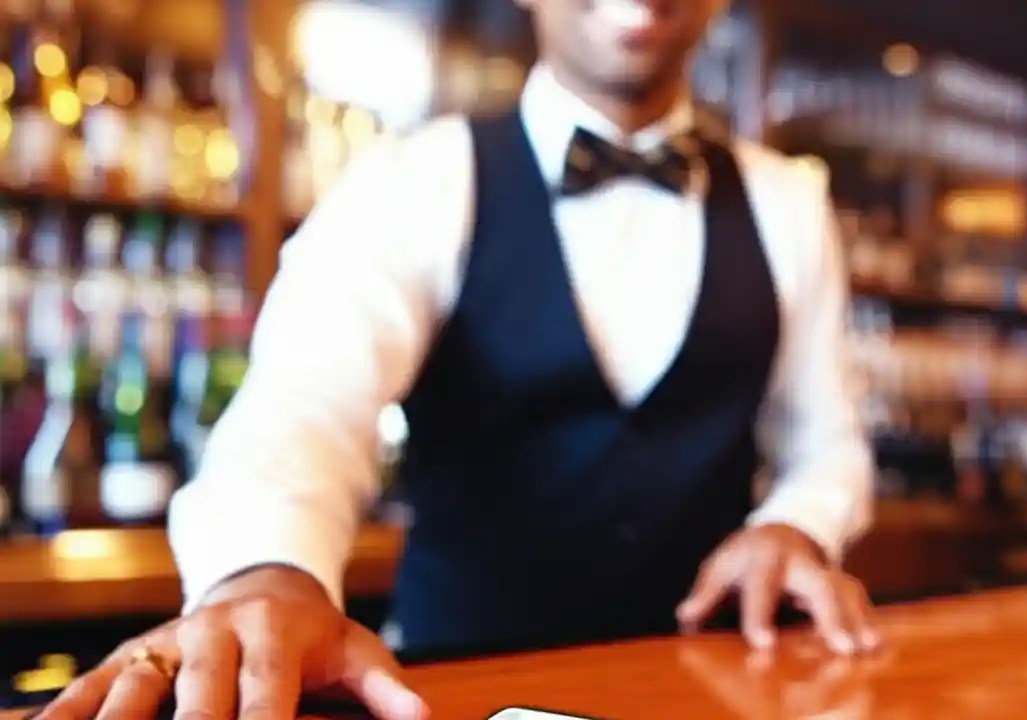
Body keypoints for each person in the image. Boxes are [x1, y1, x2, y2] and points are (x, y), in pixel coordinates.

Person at [39, 0, 877, 718]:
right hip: (456, 693)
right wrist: (268, 572)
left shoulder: (789, 201)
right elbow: (299, 410)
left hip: (709, 691)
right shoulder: (413, 181)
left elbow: (830, 441)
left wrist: (794, 525)